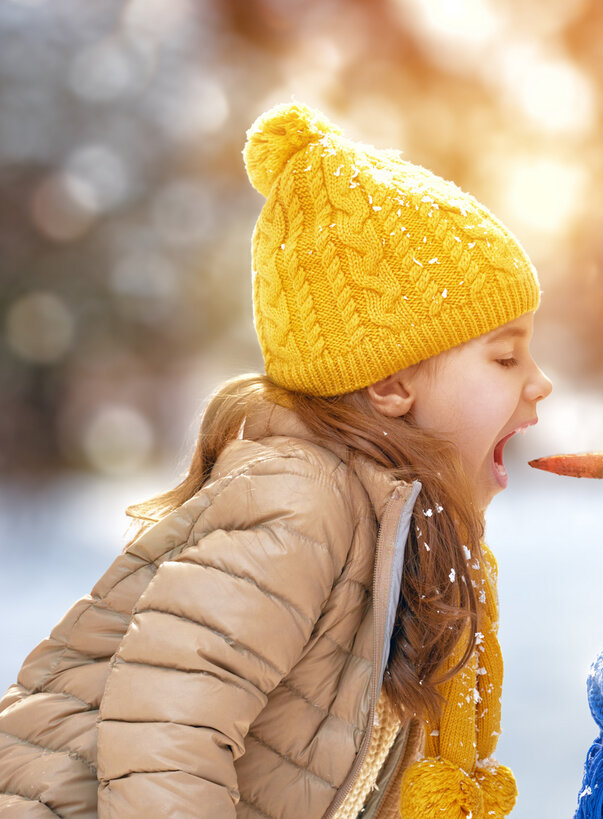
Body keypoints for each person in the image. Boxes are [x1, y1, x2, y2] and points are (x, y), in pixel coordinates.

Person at [0, 102, 551, 819]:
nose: (539, 382)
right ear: (390, 382)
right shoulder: (300, 500)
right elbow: (166, 728)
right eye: (506, 356)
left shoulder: (404, 529)